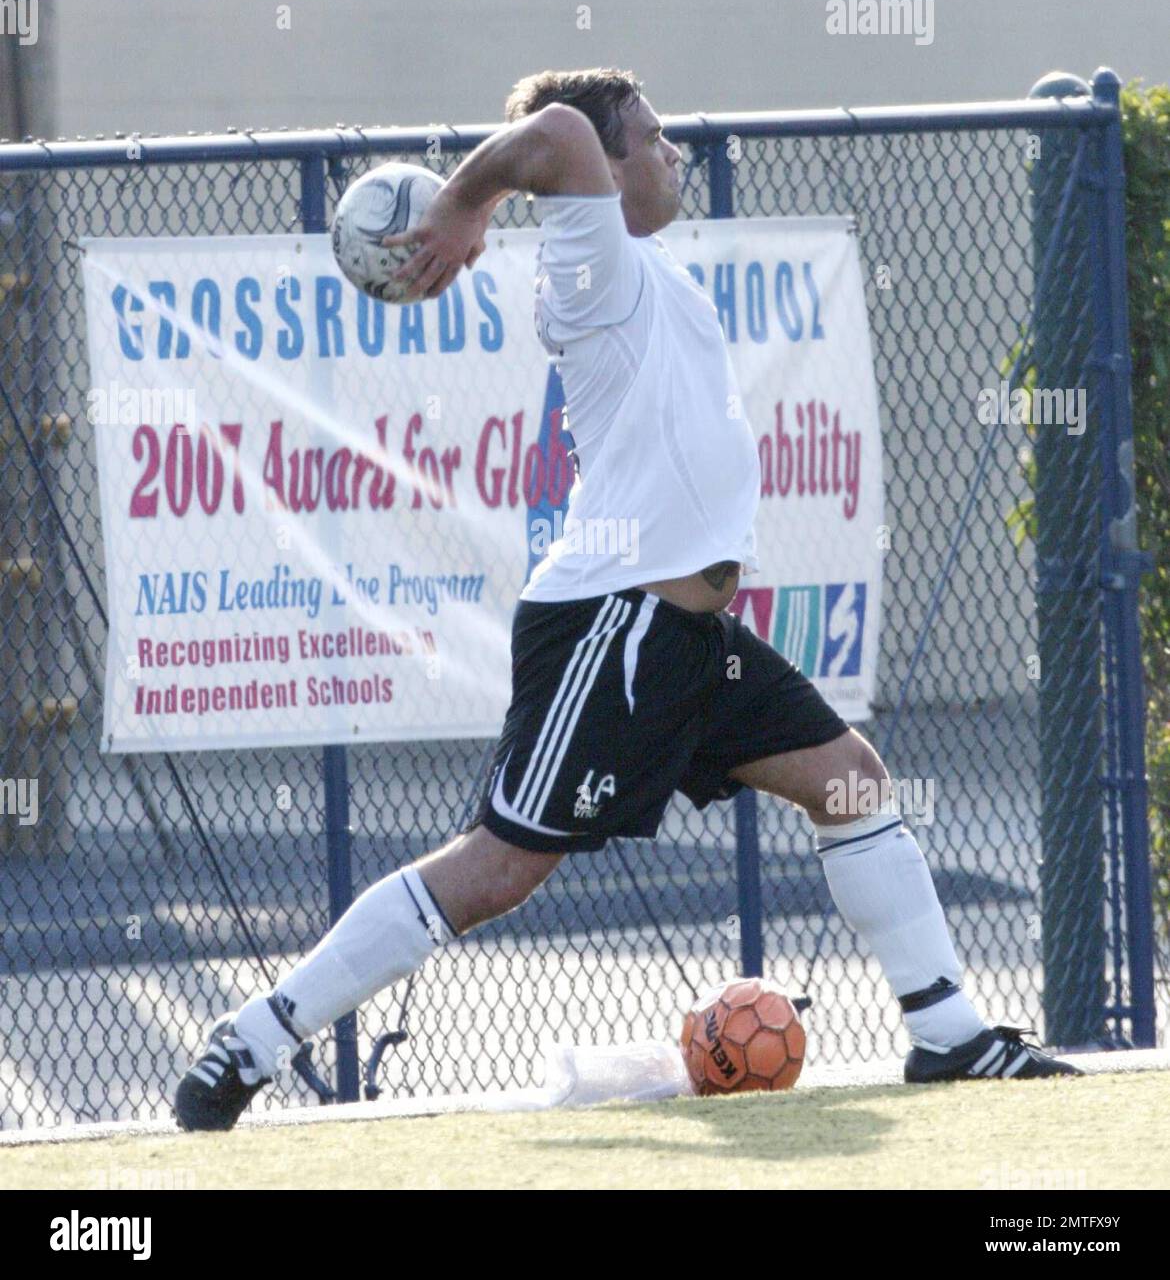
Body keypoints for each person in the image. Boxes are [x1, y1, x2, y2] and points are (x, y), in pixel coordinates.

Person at [175, 68, 1076, 1130]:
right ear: (602, 171)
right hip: (616, 623)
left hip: (686, 633)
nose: (672, 152)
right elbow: (551, 130)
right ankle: (254, 1039)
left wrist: (490, 194)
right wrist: (469, 201)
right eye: (650, 137)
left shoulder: (638, 267)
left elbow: (562, 146)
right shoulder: (592, 263)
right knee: (500, 868)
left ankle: (949, 1034)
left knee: (852, 783)